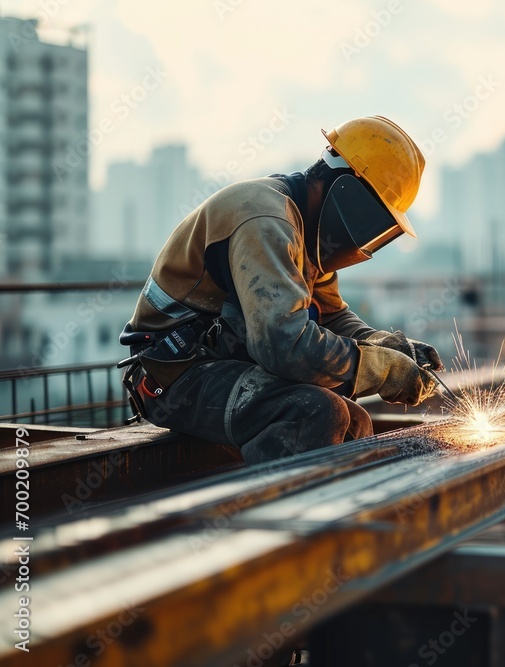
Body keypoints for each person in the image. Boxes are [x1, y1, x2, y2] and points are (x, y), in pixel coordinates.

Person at [119, 116, 442, 464]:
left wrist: (382, 344)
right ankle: (269, 514)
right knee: (314, 414)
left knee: (355, 422)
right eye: (372, 223)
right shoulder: (267, 221)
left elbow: (331, 316)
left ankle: (331, 511)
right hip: (173, 376)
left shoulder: (307, 230)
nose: (367, 238)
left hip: (222, 366)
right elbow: (283, 344)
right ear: (348, 191)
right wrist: (380, 369)